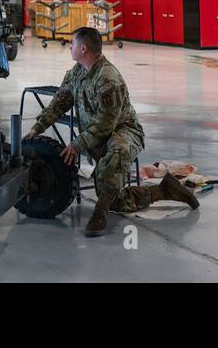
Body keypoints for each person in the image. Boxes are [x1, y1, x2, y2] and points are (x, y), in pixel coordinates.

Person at [26, 26, 199, 237]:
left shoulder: (108, 79)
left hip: (125, 131)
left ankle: (100, 213)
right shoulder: (77, 72)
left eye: (72, 43)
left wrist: (78, 144)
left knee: (115, 153)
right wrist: (37, 127)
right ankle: (165, 190)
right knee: (116, 200)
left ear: (83, 48)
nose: (69, 47)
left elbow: (106, 124)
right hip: (98, 136)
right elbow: (60, 102)